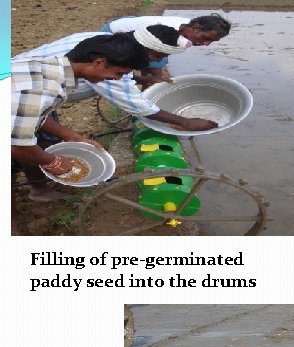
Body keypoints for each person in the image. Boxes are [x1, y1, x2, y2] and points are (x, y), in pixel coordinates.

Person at [11, 34, 148, 231]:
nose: (116, 79)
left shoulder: (50, 67)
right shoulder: (45, 87)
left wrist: (72, 136)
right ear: (99, 62)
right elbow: (17, 145)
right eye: (118, 73)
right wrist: (54, 162)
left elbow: (31, 113)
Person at [13, 26, 218, 132]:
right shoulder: (109, 66)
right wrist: (185, 121)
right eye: (155, 57)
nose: (154, 63)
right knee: (26, 142)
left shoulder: (102, 40)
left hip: (20, 78)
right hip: (25, 92)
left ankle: (37, 186)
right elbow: (138, 106)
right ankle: (35, 190)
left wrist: (142, 79)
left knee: (37, 131)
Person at [100, 14, 231, 84]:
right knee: (118, 71)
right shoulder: (164, 31)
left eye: (211, 42)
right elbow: (132, 62)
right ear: (195, 27)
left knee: (156, 77)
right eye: (205, 37)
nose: (206, 44)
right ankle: (143, 110)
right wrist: (142, 79)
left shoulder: (185, 29)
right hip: (115, 32)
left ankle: (146, 101)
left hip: (140, 31)